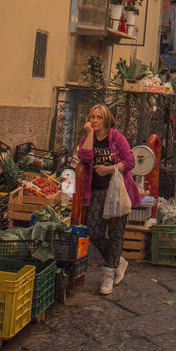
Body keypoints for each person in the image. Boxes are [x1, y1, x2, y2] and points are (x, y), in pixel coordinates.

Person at [75, 106, 140, 296]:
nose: (95, 121)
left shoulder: (116, 137)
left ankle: (109, 273)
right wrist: (88, 134)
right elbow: (85, 157)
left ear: (106, 120)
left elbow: (130, 162)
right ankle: (118, 261)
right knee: (93, 231)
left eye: (99, 118)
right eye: (92, 117)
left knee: (116, 232)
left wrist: (109, 169)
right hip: (96, 191)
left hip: (117, 190)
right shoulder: (88, 138)